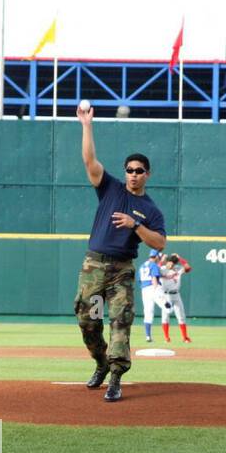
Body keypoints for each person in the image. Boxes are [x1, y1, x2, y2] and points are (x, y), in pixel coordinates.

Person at [73, 103, 167, 402]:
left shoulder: (150, 209)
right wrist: (86, 126)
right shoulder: (111, 188)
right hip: (94, 268)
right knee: (89, 320)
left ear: (147, 174)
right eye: (129, 170)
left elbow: (159, 243)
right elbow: (90, 162)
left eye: (139, 171)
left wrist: (135, 224)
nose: (133, 174)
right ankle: (101, 362)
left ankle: (115, 377)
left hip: (121, 271)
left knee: (120, 321)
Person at [158, 253, 193, 344]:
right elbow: (154, 271)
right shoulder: (162, 269)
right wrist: (162, 261)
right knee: (165, 317)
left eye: (174, 263)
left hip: (176, 295)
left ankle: (185, 337)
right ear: (168, 262)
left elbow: (188, 268)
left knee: (181, 316)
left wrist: (180, 258)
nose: (172, 265)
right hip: (166, 295)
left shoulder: (178, 268)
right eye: (170, 263)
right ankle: (166, 338)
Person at [138, 248, 163, 344]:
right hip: (152, 287)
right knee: (166, 307)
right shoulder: (154, 265)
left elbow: (139, 280)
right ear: (156, 257)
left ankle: (148, 336)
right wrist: (156, 289)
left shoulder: (142, 266)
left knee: (148, 313)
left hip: (144, 290)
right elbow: (154, 278)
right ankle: (168, 305)